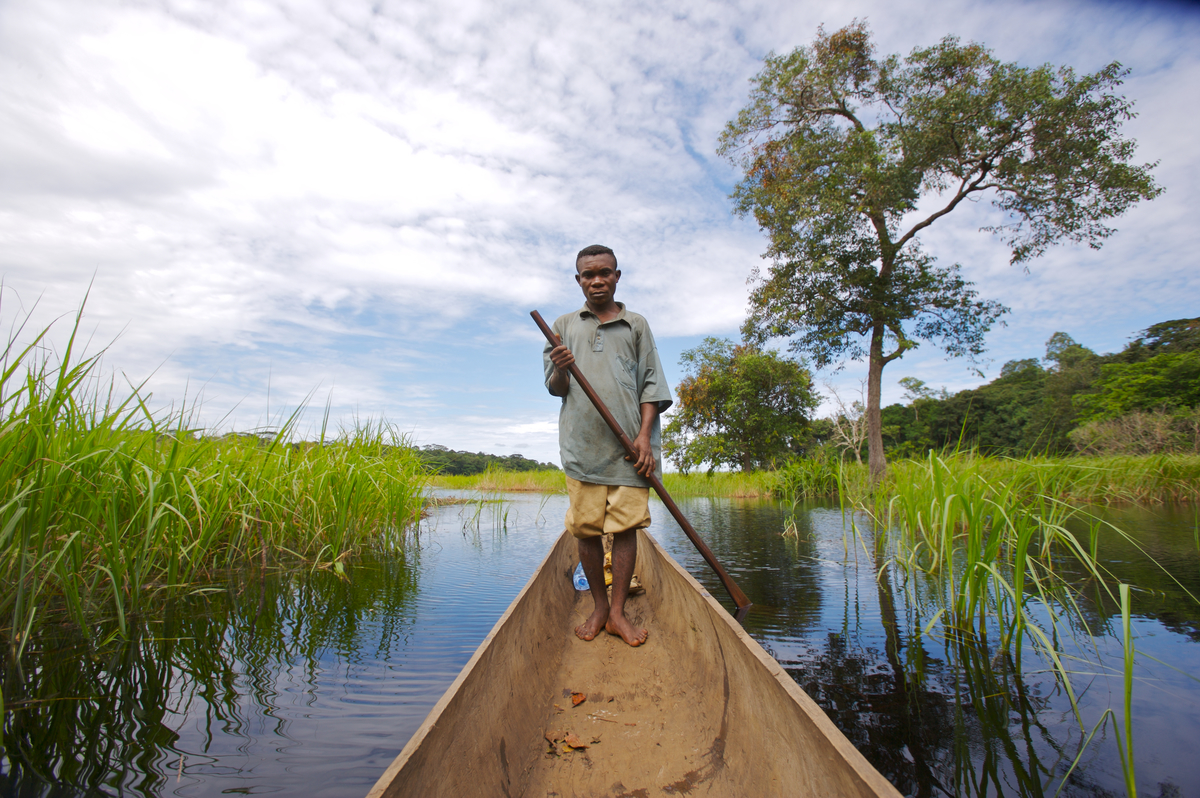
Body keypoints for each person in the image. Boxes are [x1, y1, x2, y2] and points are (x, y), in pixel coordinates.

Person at [544, 244, 673, 647]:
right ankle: (598, 607)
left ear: (617, 276)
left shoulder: (635, 324)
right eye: (588, 274)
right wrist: (562, 368)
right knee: (585, 529)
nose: (596, 280)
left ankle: (617, 613)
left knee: (626, 528)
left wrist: (643, 438)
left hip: (629, 450)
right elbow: (555, 388)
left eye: (604, 273)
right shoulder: (562, 325)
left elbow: (651, 384)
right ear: (578, 280)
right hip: (582, 447)